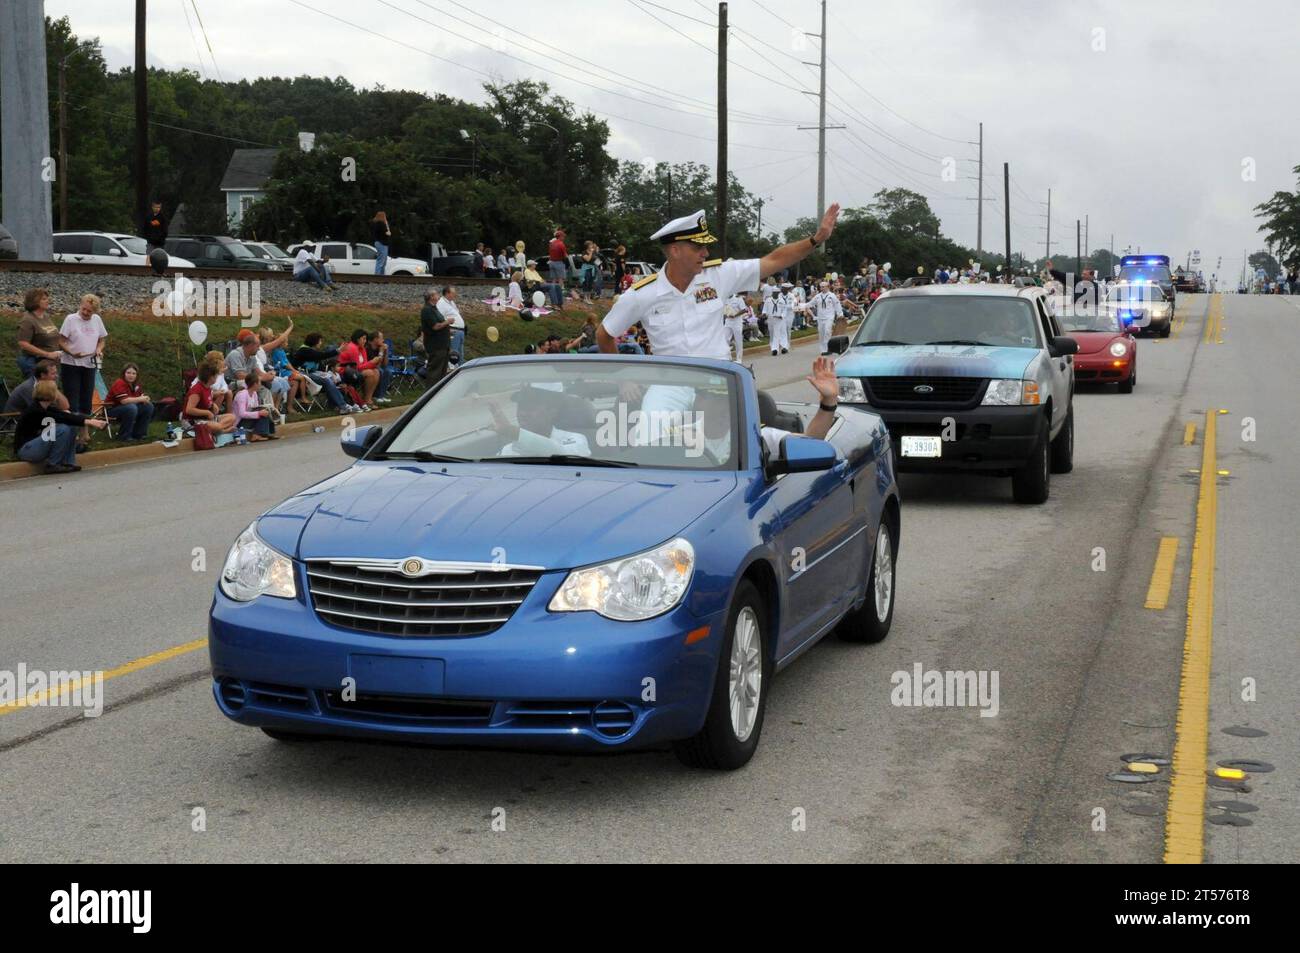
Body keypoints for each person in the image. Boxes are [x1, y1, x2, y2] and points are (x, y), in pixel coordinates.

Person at [681, 356, 841, 466]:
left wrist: (828, 402)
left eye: (730, 400)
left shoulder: (758, 437)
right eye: (717, 400)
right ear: (699, 401)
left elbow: (810, 443)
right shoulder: (675, 438)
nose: (725, 408)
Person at [14, 379, 107, 474]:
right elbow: (61, 418)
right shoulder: (35, 411)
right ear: (50, 393)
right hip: (26, 450)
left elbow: (66, 416)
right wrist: (89, 422)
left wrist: (90, 420)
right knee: (62, 429)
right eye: (56, 390)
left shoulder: (46, 408)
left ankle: (68, 462)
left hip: (36, 446)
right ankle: (53, 464)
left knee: (71, 426)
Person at [58, 293, 107, 446]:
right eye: (84, 309)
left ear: (94, 312)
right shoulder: (71, 319)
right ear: (80, 306)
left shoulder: (97, 320)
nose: (85, 313)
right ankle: (72, 432)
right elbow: (61, 341)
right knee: (72, 398)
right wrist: (71, 352)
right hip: (71, 363)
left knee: (86, 398)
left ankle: (84, 430)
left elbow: (102, 339)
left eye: (89, 311)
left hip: (89, 364)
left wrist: (99, 349)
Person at [183, 362, 238, 438]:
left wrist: (213, 405)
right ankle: (221, 430)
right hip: (194, 421)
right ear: (210, 377)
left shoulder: (208, 388)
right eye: (216, 375)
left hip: (206, 419)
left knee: (232, 417)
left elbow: (207, 401)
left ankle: (218, 429)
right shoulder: (197, 390)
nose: (217, 377)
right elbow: (189, 410)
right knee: (217, 426)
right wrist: (207, 413)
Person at [17, 288, 62, 378]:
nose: (47, 301)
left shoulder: (45, 316)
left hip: (51, 365)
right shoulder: (28, 319)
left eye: (47, 298)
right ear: (34, 301)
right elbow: (23, 343)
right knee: (40, 391)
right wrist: (47, 354)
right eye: (44, 299)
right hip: (37, 365)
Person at [104, 363, 155, 441]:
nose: (131, 375)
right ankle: (124, 436)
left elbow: (140, 397)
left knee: (148, 406)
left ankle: (139, 434)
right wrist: (140, 399)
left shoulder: (135, 384)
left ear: (137, 375)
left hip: (127, 408)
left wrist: (145, 399)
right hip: (111, 410)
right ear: (123, 373)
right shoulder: (119, 383)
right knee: (131, 408)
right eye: (128, 373)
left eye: (134, 373)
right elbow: (124, 401)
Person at [4, 360, 69, 415]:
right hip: (15, 423)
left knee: (67, 415)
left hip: (35, 419)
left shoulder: (46, 385)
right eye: (53, 374)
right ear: (43, 375)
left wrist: (55, 389)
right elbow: (37, 410)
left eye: (56, 373)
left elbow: (65, 406)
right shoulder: (29, 387)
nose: (56, 376)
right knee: (65, 422)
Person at [338, 329, 382, 408]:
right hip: (345, 372)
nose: (365, 341)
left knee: (376, 371)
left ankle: (368, 398)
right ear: (358, 339)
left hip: (356, 371)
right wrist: (372, 362)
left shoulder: (362, 348)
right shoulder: (352, 348)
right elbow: (357, 367)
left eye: (366, 339)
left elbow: (364, 364)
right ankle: (366, 400)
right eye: (363, 339)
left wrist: (374, 364)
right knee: (370, 373)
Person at [233, 369, 278, 441]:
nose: (260, 384)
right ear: (254, 384)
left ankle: (268, 433)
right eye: (259, 382)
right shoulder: (242, 395)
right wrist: (258, 413)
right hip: (240, 423)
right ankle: (258, 435)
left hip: (249, 419)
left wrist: (269, 409)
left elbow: (256, 408)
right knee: (262, 411)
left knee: (265, 410)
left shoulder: (254, 393)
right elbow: (241, 414)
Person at [810, 280, 844, 354]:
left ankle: (828, 349)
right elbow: (810, 303)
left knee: (827, 331)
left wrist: (840, 313)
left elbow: (837, 305)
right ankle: (823, 350)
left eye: (823, 287)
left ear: (827, 287)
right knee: (821, 333)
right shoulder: (818, 296)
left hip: (829, 317)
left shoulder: (832, 296)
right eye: (821, 287)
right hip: (820, 317)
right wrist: (801, 306)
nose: (822, 288)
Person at [437, 285, 466, 363]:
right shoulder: (441, 303)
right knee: (453, 356)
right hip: (453, 331)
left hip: (460, 332)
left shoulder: (451, 302)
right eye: (453, 293)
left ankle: (460, 372)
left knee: (460, 356)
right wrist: (446, 329)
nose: (455, 295)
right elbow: (439, 318)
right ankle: (453, 372)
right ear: (447, 293)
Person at [366, 329, 393, 403]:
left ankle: (382, 396)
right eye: (381, 338)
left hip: (376, 368)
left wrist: (386, 351)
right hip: (368, 369)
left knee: (387, 371)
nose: (383, 340)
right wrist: (381, 352)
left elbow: (385, 364)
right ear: (375, 339)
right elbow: (376, 365)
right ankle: (376, 396)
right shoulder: (368, 348)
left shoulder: (379, 347)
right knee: (380, 371)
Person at [722, 293, 747, 363]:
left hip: (737, 322)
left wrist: (735, 315)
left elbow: (744, 310)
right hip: (728, 322)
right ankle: (727, 357)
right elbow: (724, 310)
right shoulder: (724, 298)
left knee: (738, 341)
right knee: (725, 339)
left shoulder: (738, 298)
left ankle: (739, 359)